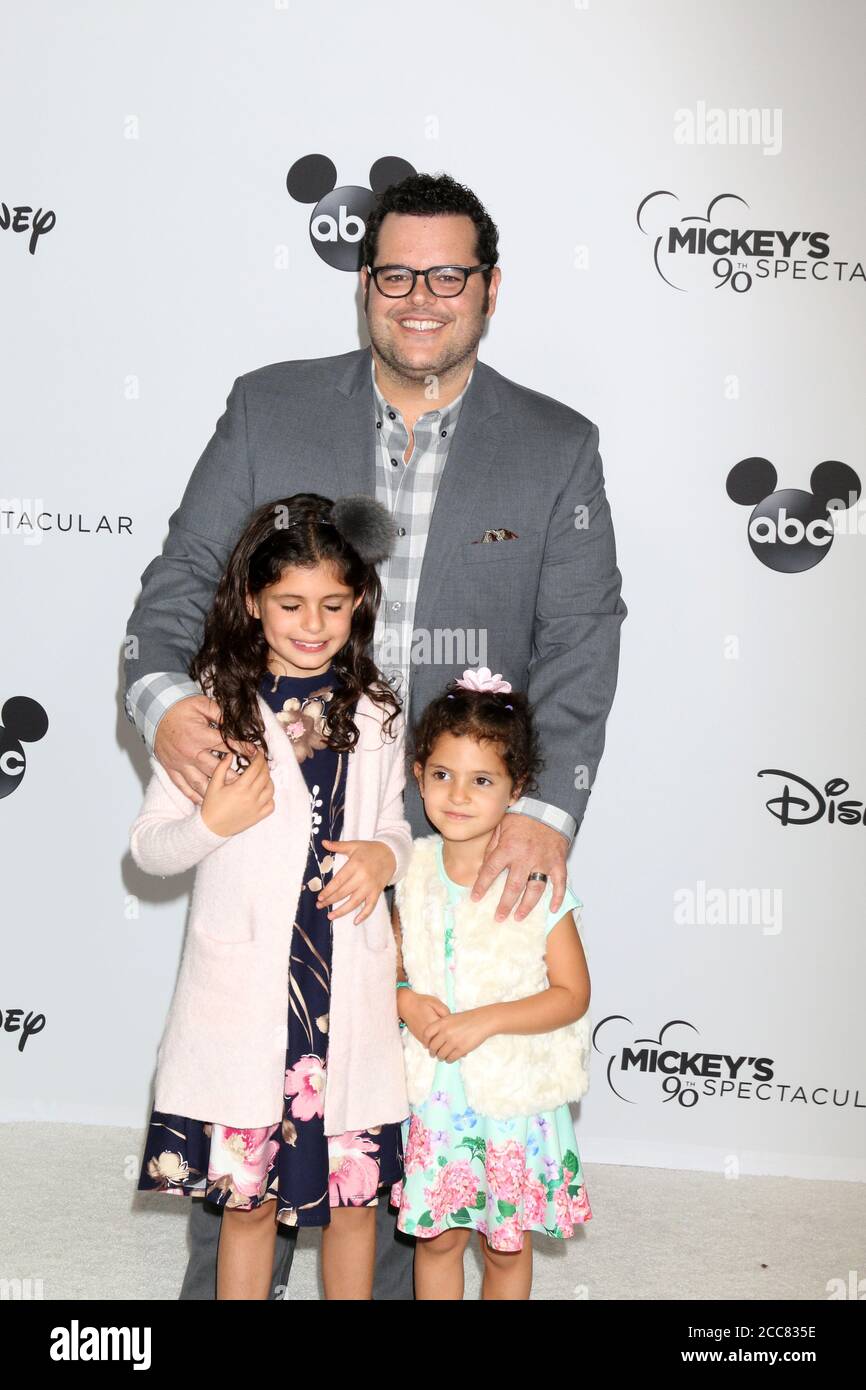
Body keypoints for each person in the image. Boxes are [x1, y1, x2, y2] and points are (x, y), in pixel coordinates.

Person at [123, 170, 626, 1299]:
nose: (420, 298)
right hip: (278, 811)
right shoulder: (268, 406)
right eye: (396, 274)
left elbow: (582, 637)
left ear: (488, 288)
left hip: (449, 832)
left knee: (401, 1114)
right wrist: (163, 703)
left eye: (447, 276)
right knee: (255, 1092)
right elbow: (183, 575)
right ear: (364, 283)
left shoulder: (556, 445)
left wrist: (543, 812)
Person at [130, 493, 412, 1300]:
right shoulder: (212, 708)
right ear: (253, 602)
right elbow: (150, 847)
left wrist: (384, 859)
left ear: (359, 602)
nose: (312, 624)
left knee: (353, 1203)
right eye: (290, 604)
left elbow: (395, 824)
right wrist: (211, 822)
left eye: (333, 604)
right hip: (251, 997)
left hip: (343, 986)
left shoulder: (378, 711)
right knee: (247, 1203)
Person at [389, 667, 592, 1300]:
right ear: (418, 774)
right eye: (442, 775)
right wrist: (403, 999)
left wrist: (486, 1020)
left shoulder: (536, 882)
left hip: (512, 1101)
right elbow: (388, 967)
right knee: (437, 1241)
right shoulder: (410, 871)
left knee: (504, 1247)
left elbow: (572, 995)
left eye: (482, 780)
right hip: (434, 1102)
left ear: (516, 788)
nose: (457, 795)